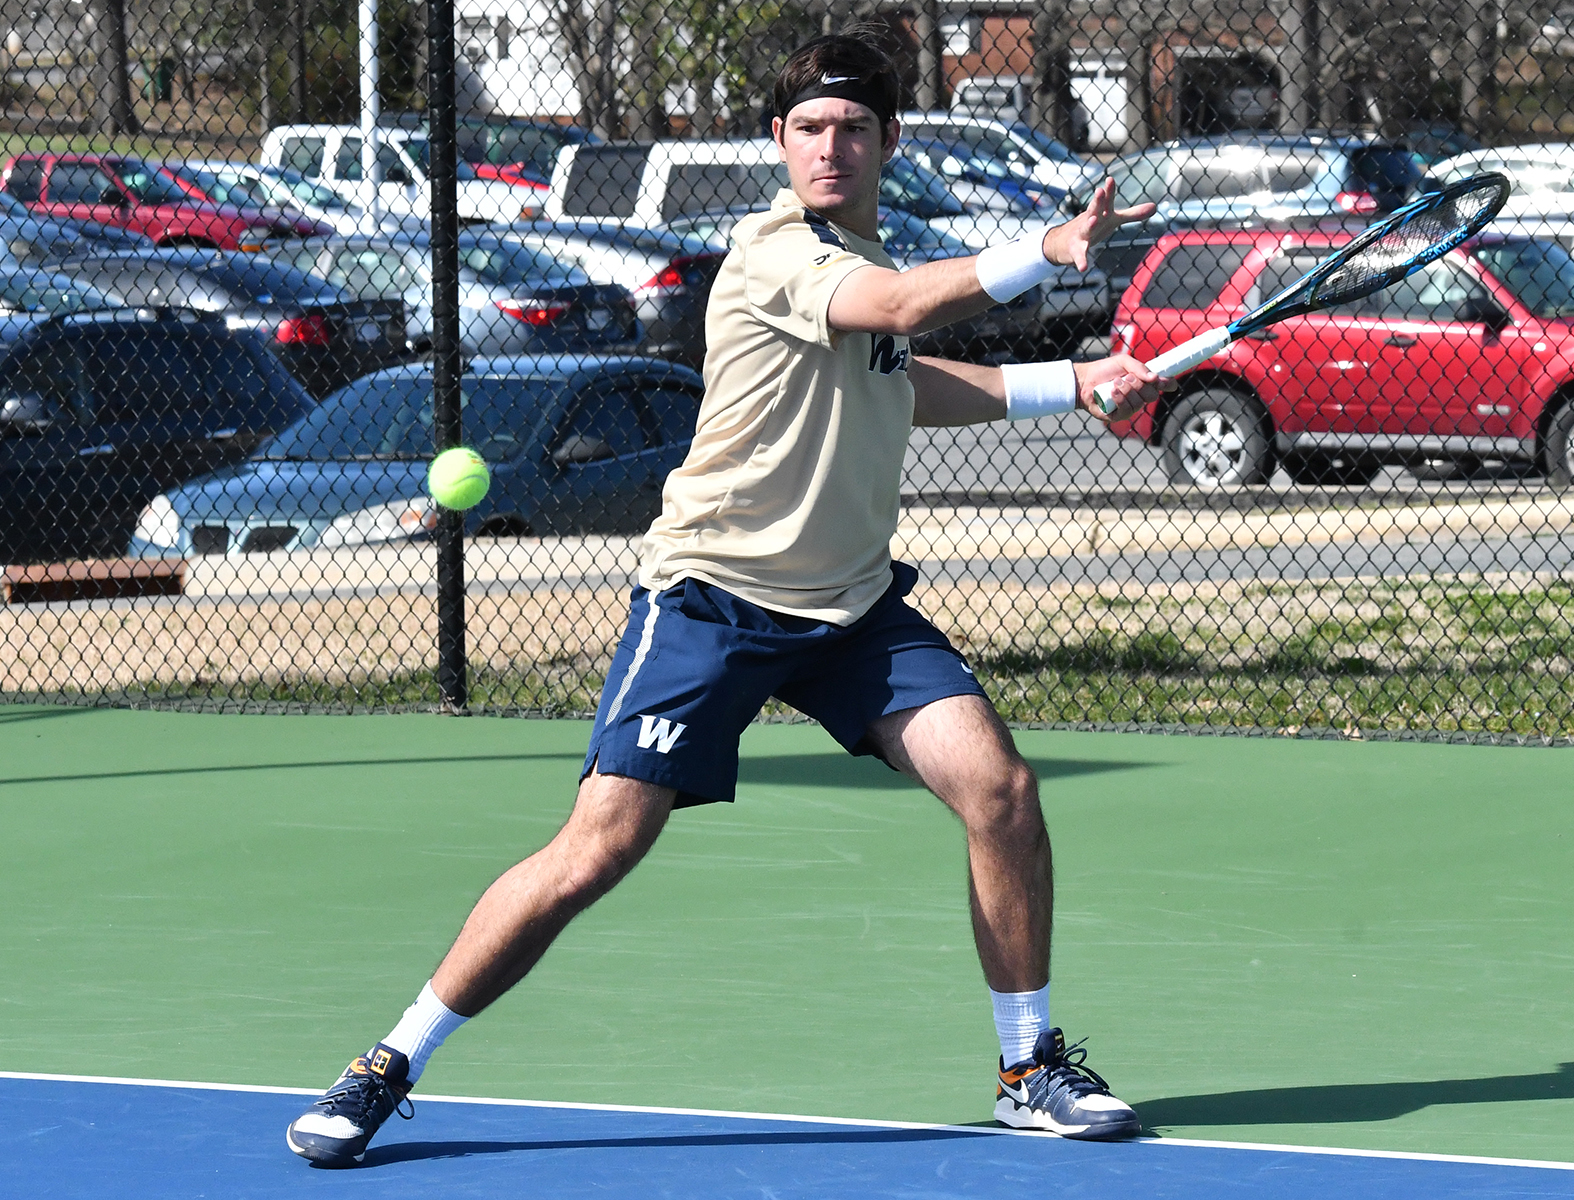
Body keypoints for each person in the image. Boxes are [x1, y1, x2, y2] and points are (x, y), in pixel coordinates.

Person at [285, 31, 1167, 1166]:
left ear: (889, 140)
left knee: (997, 790)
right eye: (810, 129)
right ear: (778, 144)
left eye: (854, 127)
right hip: (712, 599)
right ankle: (387, 1064)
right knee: (597, 848)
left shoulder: (862, 251)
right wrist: (1042, 250)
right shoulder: (776, 254)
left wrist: (1070, 383)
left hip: (848, 606)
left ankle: (1026, 1067)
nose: (832, 147)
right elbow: (898, 315)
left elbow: (899, 377)